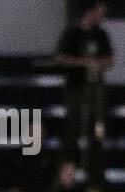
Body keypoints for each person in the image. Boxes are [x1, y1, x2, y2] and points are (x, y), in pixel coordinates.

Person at [56, 1, 114, 176]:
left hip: (96, 88)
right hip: (76, 87)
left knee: (97, 126)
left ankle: (94, 164)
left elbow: (110, 60)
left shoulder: (101, 34)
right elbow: (61, 58)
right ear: (90, 11)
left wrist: (98, 64)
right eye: (100, 11)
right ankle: (69, 166)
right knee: (75, 124)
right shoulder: (72, 32)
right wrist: (84, 63)